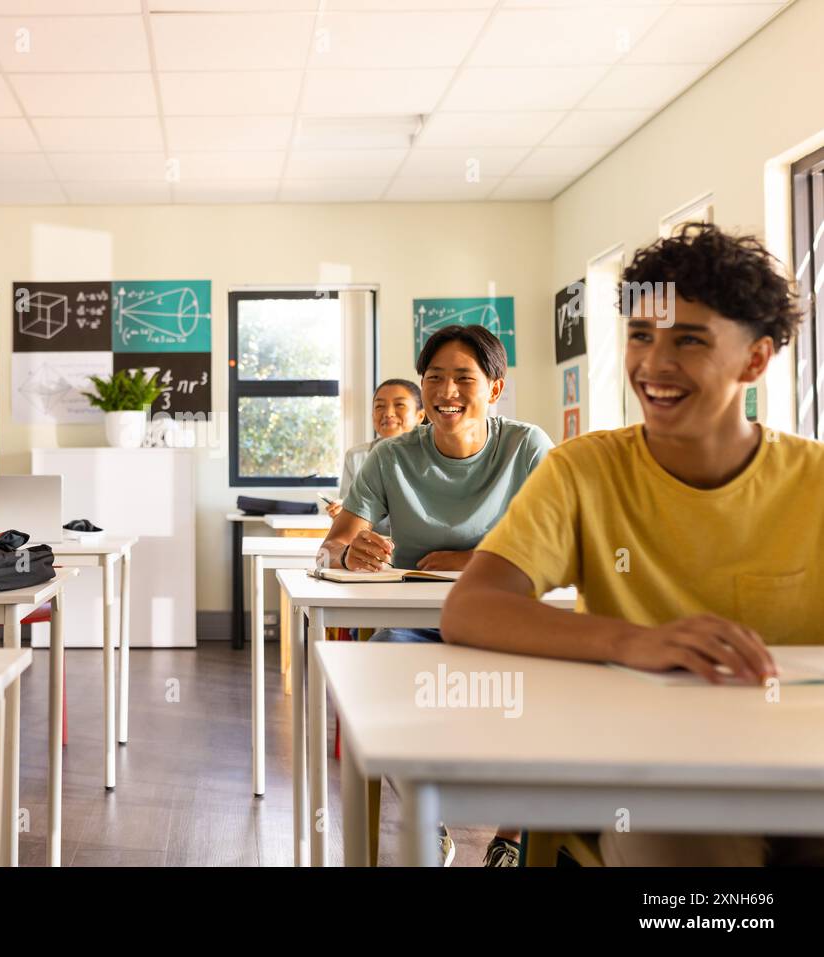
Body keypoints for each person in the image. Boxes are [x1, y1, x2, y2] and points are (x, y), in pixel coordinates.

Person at [441, 222, 824, 866]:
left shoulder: (812, 481)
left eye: (690, 341)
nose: (654, 364)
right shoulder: (583, 472)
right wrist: (636, 642)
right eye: (641, 336)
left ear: (756, 359)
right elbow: (470, 608)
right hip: (649, 770)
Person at [316, 323, 553, 866]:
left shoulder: (527, 447)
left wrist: (474, 561)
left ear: (494, 388)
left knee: (549, 685)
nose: (447, 392)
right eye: (434, 378)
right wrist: (349, 553)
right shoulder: (390, 458)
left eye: (463, 378)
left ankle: (509, 840)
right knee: (375, 665)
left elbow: (561, 544)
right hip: (418, 624)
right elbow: (332, 548)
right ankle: (433, 815)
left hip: (507, 625)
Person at [326, 378, 424, 531]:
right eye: (379, 406)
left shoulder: (434, 455)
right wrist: (342, 514)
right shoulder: (356, 456)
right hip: (370, 548)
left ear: (420, 416)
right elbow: (348, 513)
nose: (388, 413)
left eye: (399, 405)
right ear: (372, 416)